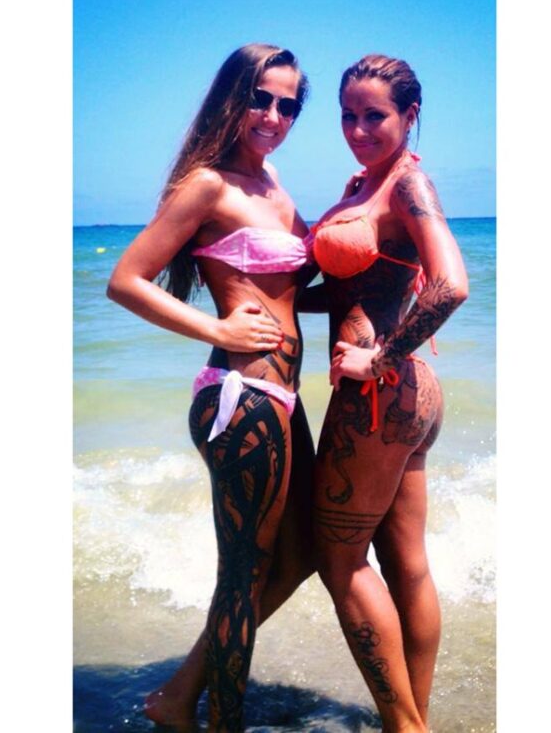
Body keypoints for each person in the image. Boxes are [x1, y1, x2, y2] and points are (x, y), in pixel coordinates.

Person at [106, 44, 317, 732]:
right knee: (242, 575)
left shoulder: (272, 182)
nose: (274, 115)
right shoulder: (206, 184)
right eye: (261, 98)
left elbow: (290, 290)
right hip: (242, 396)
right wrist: (217, 328)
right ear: (233, 96)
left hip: (283, 396)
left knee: (302, 553)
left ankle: (179, 695)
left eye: (288, 105)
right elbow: (126, 280)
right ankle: (216, 722)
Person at [309, 54, 469, 733]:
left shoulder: (407, 184)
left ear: (409, 115)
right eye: (347, 115)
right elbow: (352, 286)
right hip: (412, 397)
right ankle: (413, 719)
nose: (357, 128)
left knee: (340, 561)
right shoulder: (366, 184)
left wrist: (378, 359)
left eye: (374, 115)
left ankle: (405, 726)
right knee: (405, 565)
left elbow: (451, 284)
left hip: (379, 397)